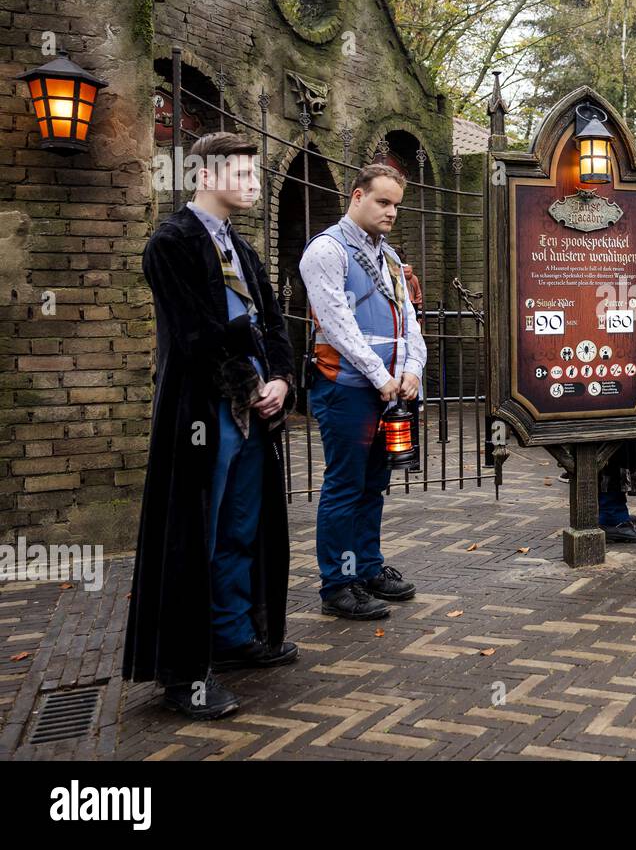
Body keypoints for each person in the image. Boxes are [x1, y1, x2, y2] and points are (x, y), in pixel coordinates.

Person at [123, 132, 298, 721]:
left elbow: (273, 323)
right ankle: (185, 674)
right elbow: (197, 335)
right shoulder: (170, 244)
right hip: (201, 413)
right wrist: (251, 387)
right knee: (193, 535)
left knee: (242, 528)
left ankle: (231, 634)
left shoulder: (243, 251)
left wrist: (280, 379)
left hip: (255, 412)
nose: (253, 184)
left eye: (256, 175)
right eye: (243, 175)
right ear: (203, 176)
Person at [300, 164, 428, 619]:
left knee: (375, 483)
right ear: (357, 196)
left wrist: (413, 367)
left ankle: (368, 567)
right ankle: (338, 584)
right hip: (346, 388)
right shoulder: (326, 250)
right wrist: (381, 376)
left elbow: (410, 320)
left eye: (396, 204)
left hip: (391, 389)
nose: (391, 212)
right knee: (345, 485)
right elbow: (337, 325)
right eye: (383, 202)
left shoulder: (389, 257)